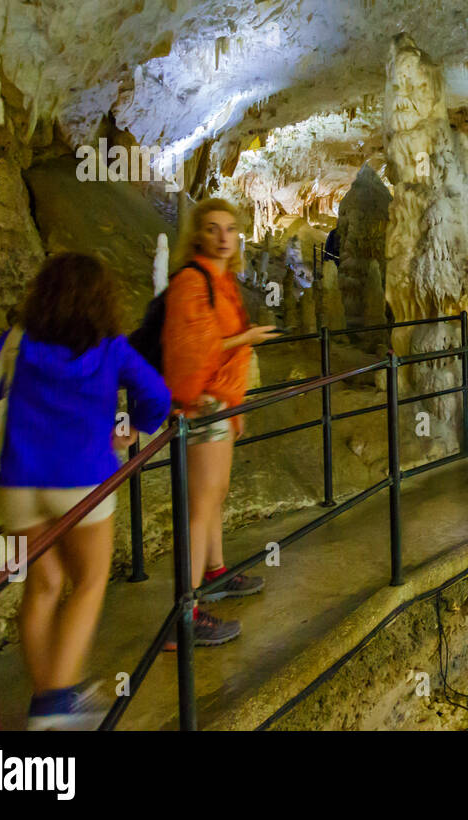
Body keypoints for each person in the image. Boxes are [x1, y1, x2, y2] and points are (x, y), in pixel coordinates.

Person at [0, 252, 171, 729]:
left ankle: (47, 698)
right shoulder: (110, 349)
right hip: (83, 482)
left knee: (42, 586)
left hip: (18, 482)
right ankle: (57, 701)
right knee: (89, 583)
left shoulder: (17, 342)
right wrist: (133, 429)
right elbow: (157, 395)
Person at [162, 198, 279, 648]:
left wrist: (238, 405)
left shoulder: (221, 280)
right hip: (203, 403)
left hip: (222, 401)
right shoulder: (192, 283)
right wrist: (245, 338)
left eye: (230, 228)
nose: (223, 237)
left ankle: (215, 573)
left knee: (215, 495)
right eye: (213, 229)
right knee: (200, 504)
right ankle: (184, 618)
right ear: (197, 235)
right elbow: (195, 351)